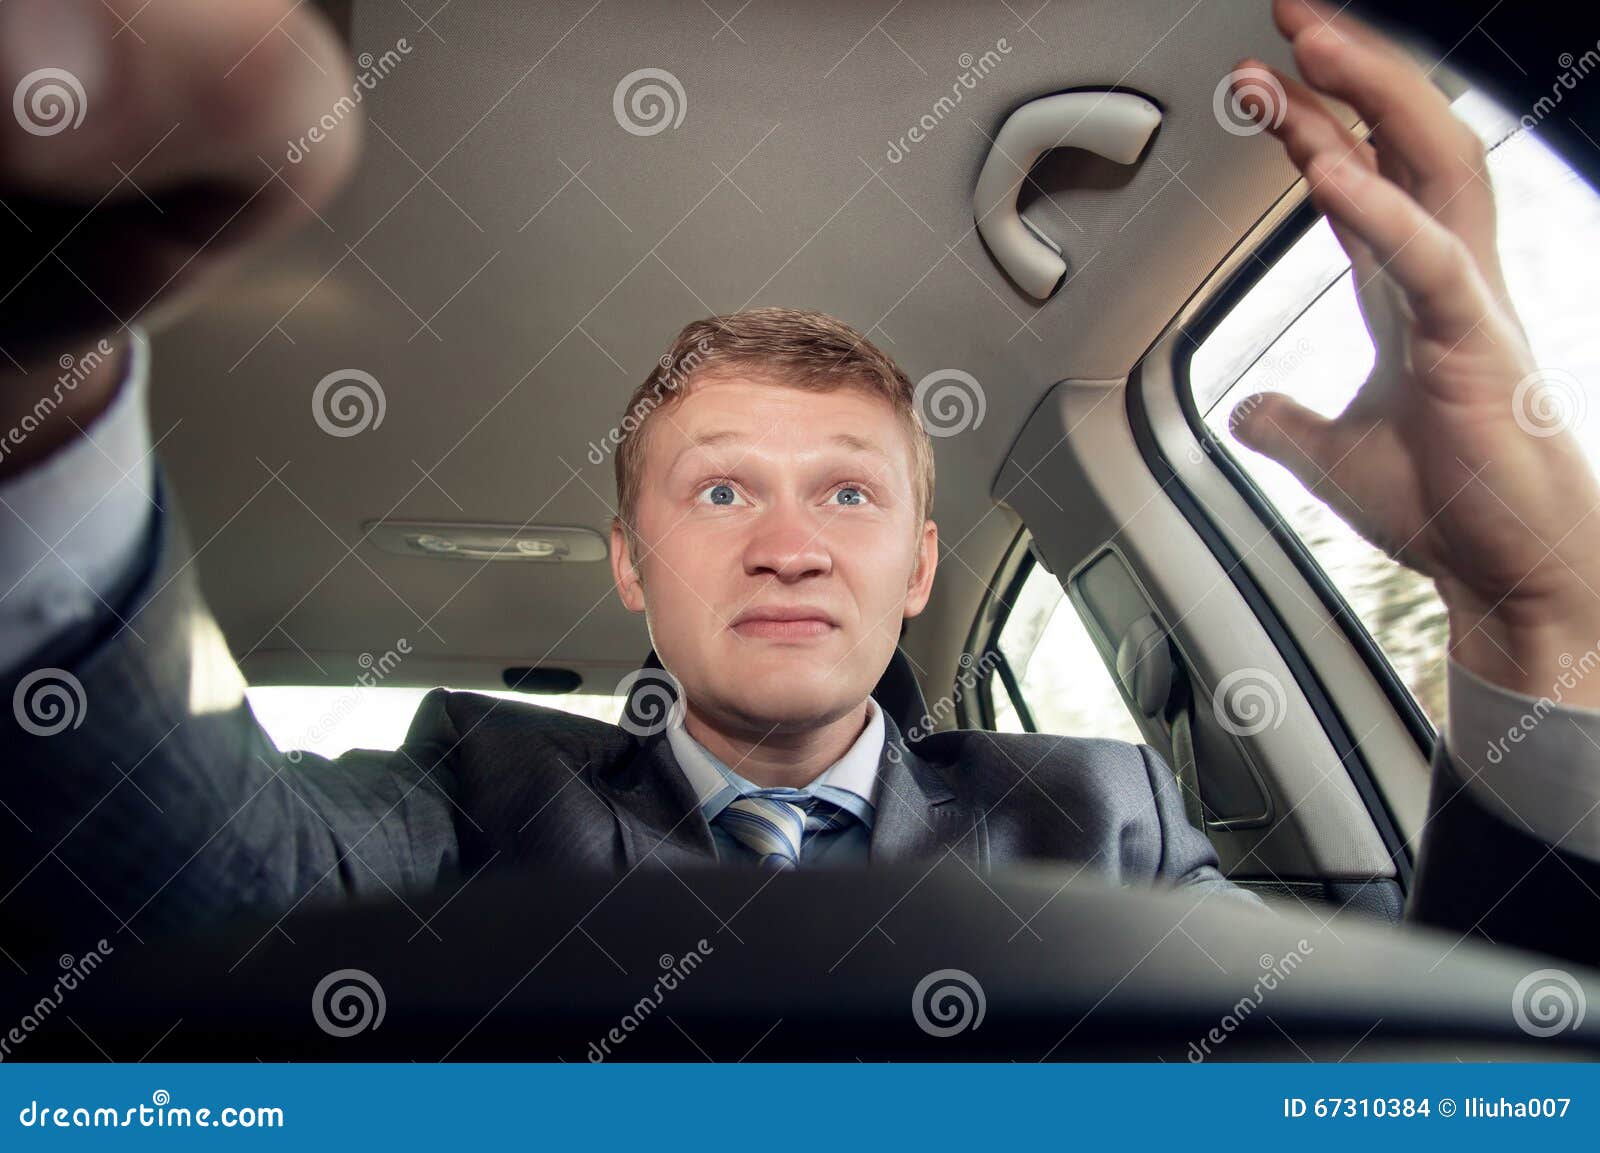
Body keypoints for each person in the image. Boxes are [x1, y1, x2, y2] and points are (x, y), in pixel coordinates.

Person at [1, 0, 1597, 967]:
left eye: (848, 495)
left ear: (919, 567)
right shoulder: (480, 793)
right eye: (716, 495)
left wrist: (1535, 614)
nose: (786, 545)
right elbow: (195, 893)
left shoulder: (1097, 817)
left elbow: (1440, 1094)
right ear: (628, 562)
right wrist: (36, 378)